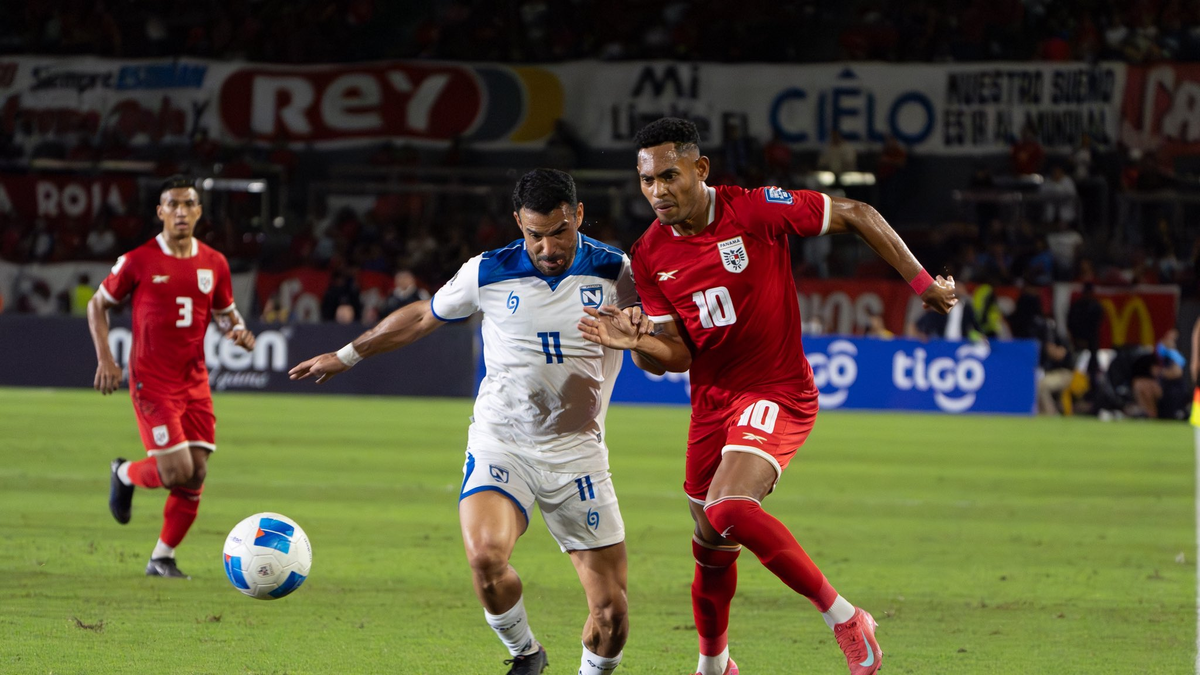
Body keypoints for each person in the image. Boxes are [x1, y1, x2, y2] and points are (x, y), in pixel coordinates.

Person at [579, 118, 955, 675]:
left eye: (669, 176)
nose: (657, 191)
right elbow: (675, 358)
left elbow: (857, 213)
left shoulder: (753, 210)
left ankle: (848, 618)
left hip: (777, 390)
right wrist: (637, 344)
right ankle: (715, 666)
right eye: (647, 180)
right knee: (709, 545)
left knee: (730, 507)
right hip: (711, 405)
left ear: (700, 169)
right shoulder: (651, 255)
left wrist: (924, 285)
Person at [289, 169, 637, 675]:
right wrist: (347, 354)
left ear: (578, 216)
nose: (547, 246)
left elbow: (662, 349)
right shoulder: (488, 271)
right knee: (486, 557)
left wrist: (638, 336)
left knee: (611, 615)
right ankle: (526, 654)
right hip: (503, 441)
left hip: (577, 451)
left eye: (559, 231)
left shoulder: (616, 272)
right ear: (518, 222)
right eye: (534, 234)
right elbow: (423, 316)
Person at [88, 175, 256, 579]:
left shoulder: (214, 262)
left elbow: (224, 314)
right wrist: (106, 359)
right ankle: (124, 472)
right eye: (173, 204)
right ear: (160, 212)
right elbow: (98, 305)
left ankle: (162, 557)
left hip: (194, 380)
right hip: (152, 382)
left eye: (189, 204)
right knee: (175, 473)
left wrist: (238, 330)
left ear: (199, 211)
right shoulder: (138, 260)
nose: (181, 211)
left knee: (197, 471)